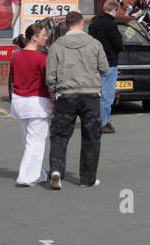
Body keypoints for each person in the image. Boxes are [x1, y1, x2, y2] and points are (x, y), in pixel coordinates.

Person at [45, 11, 109, 190]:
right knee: (91, 137)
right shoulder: (94, 44)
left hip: (66, 95)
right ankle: (87, 179)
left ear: (66, 25)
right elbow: (104, 68)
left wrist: (53, 93)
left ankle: (57, 170)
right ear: (82, 24)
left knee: (59, 136)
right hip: (90, 94)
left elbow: (50, 75)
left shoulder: (57, 46)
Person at [10, 21, 52, 187]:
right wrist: (52, 101)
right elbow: (47, 81)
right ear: (34, 38)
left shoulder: (16, 56)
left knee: (29, 140)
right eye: (43, 35)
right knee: (36, 142)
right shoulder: (41, 58)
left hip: (19, 101)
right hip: (37, 102)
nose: (45, 38)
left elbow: (14, 78)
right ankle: (26, 177)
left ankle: (39, 174)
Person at [89, 0, 126, 134]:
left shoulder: (93, 25)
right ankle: (103, 123)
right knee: (107, 96)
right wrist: (120, 48)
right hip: (110, 63)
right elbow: (117, 44)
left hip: (95, 63)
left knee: (96, 94)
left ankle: (95, 120)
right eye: (117, 11)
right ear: (114, 9)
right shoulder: (111, 25)